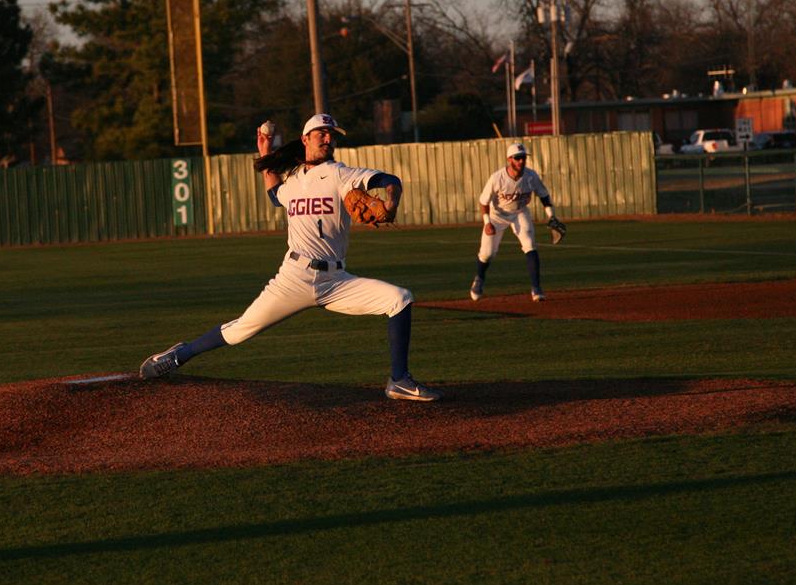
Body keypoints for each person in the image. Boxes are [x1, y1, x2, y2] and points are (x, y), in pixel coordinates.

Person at [139, 113, 438, 402]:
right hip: (294, 277)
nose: (327, 138)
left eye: (331, 134)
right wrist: (265, 152)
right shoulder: (293, 180)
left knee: (400, 298)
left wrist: (391, 200)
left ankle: (399, 380)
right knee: (242, 329)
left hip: (336, 280)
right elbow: (274, 195)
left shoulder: (341, 174)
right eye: (321, 133)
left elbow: (390, 179)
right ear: (305, 139)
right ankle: (178, 356)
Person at [470, 142, 557, 302]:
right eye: (517, 158)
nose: (521, 161)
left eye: (523, 157)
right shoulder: (497, 178)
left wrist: (551, 215)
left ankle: (536, 289)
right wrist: (487, 222)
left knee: (530, 245)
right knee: (487, 253)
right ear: (509, 159)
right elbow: (483, 202)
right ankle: (479, 278)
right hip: (496, 215)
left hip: (520, 212)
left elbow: (543, 195)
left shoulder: (531, 176)